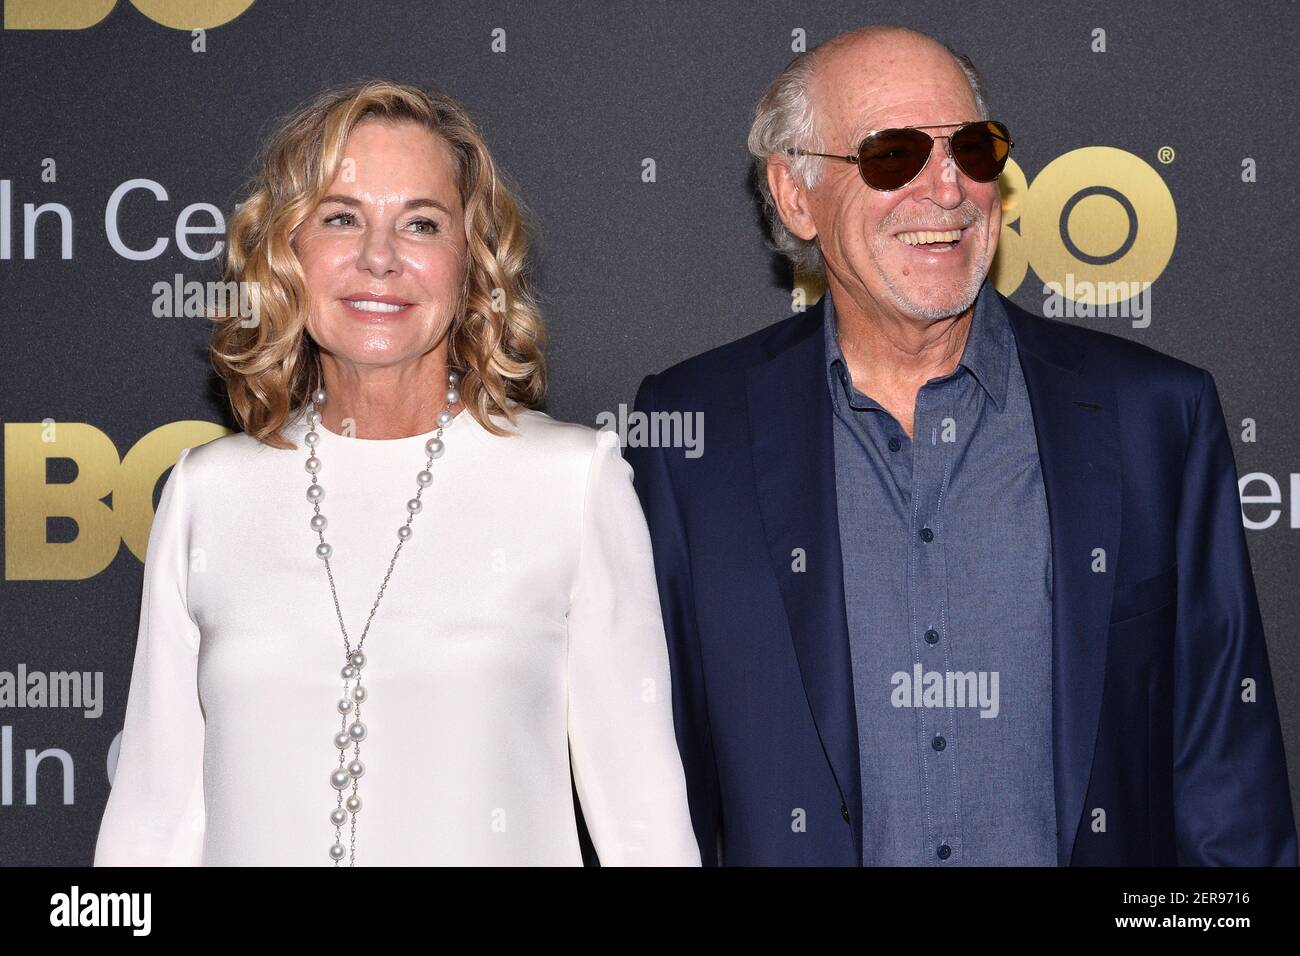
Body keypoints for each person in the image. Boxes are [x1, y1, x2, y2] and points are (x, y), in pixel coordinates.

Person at [625, 25, 1297, 866]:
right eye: (893, 154)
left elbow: (1227, 790)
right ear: (795, 195)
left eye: (972, 150)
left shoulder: (1154, 417)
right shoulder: (692, 437)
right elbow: (647, 794)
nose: (947, 189)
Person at [93, 80, 700, 867]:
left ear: (472, 261)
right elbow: (153, 823)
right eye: (341, 217)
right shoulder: (207, 494)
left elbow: (644, 829)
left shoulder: (572, 483)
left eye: (421, 223)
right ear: (286, 251)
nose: (379, 258)